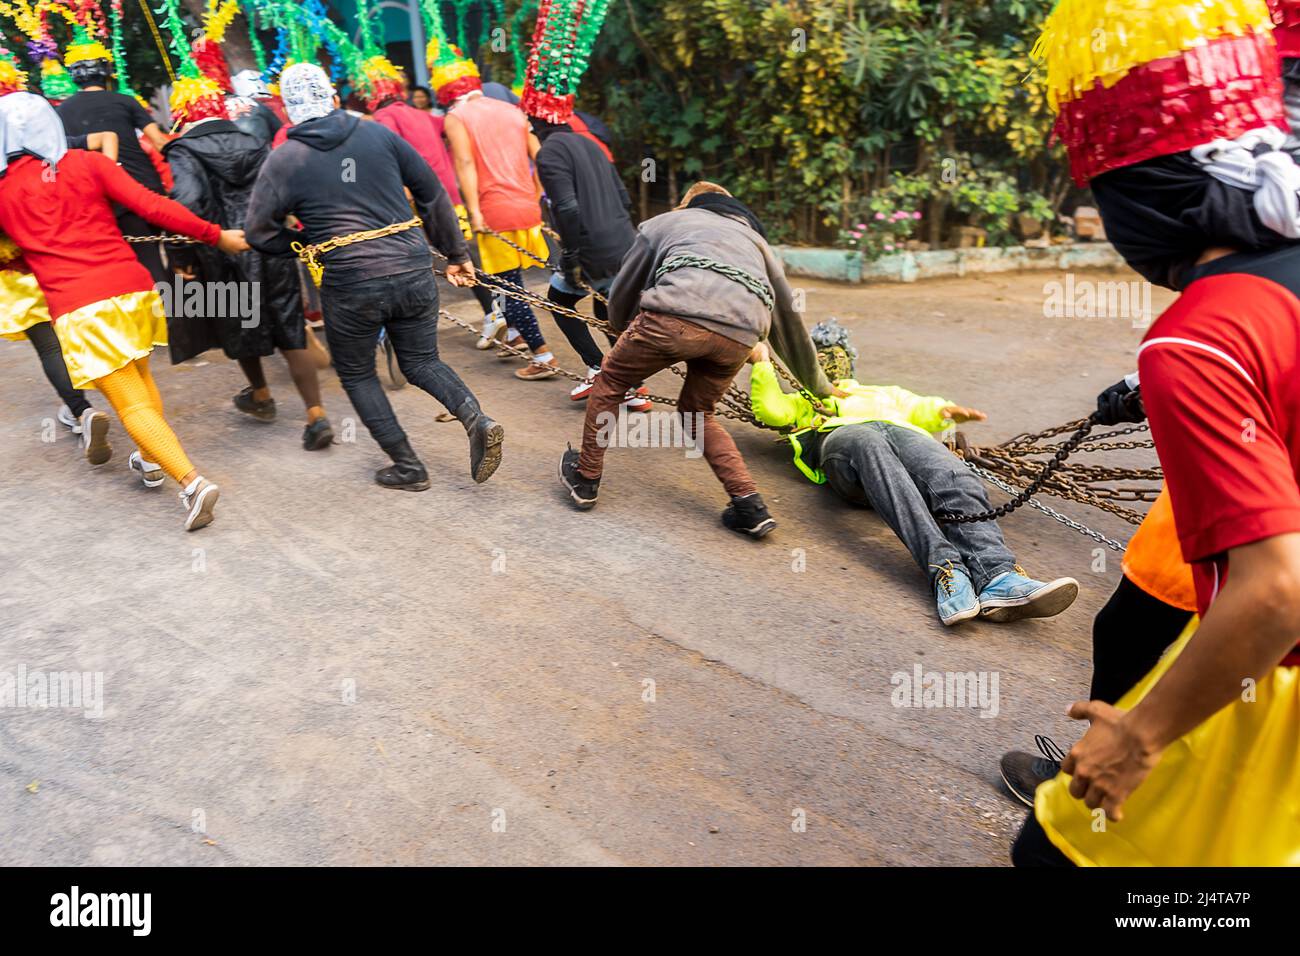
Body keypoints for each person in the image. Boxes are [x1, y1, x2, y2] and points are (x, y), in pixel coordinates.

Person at [1012, 0, 1300, 866]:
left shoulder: (1199, 333)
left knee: (1057, 853)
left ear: (1141, 198)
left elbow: (1277, 590)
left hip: (1271, 690)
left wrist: (1142, 736)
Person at [245, 63, 503, 489]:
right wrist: (457, 254)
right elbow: (432, 193)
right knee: (422, 361)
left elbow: (258, 231)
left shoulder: (284, 160)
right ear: (331, 96)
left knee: (358, 373)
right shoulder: (375, 133)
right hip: (411, 265)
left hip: (350, 281)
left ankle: (408, 466)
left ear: (289, 110)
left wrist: (303, 241)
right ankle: (476, 418)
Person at [0, 93, 248, 529]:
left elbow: (11, 258)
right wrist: (216, 235)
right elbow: (153, 205)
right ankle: (150, 458)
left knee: (130, 404)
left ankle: (192, 483)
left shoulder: (3, 194)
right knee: (142, 378)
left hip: (81, 308)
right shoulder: (87, 163)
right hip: (133, 291)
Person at [749, 321, 1079, 625]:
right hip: (843, 443)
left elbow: (918, 407)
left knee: (953, 473)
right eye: (821, 357)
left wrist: (944, 410)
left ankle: (998, 576)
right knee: (868, 443)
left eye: (838, 355)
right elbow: (771, 410)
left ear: (850, 360)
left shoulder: (880, 392)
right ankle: (946, 571)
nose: (831, 362)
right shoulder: (805, 399)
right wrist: (762, 360)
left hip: (901, 433)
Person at [559, 182, 835, 536]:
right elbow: (788, 320)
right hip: (740, 336)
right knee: (698, 412)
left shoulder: (663, 224)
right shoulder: (759, 245)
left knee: (610, 383)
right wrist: (820, 388)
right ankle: (749, 505)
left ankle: (585, 479)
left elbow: (625, 286)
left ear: (687, 205)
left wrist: (621, 328)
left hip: (671, 318)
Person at [165, 70, 333, 451]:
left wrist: (181, 257)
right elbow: (283, 188)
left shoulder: (183, 150)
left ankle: (260, 395)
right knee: (290, 328)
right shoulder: (254, 141)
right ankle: (316, 414)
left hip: (222, 250)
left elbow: (186, 204)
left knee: (240, 325)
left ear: (183, 113)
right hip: (271, 243)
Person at [434, 43, 557, 378]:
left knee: (508, 285)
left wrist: (474, 212)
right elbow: (541, 157)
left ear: (445, 92)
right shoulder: (513, 111)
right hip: (526, 208)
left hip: (494, 211)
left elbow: (464, 164)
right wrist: (537, 194)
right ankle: (517, 336)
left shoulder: (456, 118)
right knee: (511, 279)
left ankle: (543, 356)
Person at [532, 115, 648, 410]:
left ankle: (599, 369)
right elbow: (624, 198)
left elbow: (567, 207)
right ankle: (633, 385)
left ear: (537, 124)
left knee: (558, 302)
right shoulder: (591, 144)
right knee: (607, 307)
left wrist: (570, 254)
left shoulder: (549, 153)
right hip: (624, 242)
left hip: (592, 249)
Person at [55, 40, 173, 286]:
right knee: (172, 259)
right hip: (147, 188)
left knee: (142, 263)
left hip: (107, 198)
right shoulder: (125, 101)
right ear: (106, 71)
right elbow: (160, 142)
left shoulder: (62, 111)